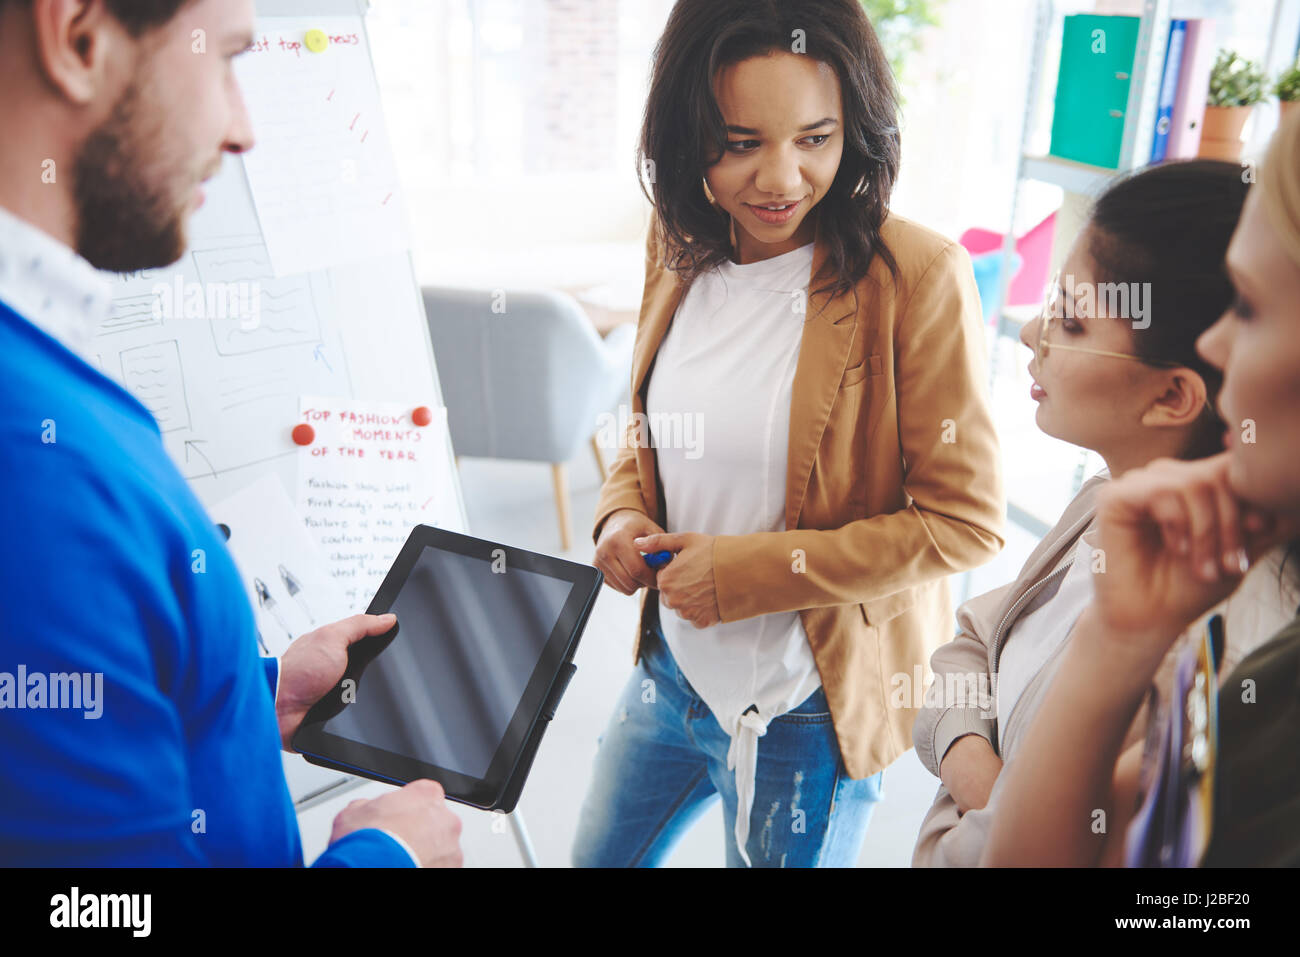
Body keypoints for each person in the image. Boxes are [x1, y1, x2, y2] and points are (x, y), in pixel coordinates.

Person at [0, 0, 461, 866]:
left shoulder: (39, 381)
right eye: (225, 59)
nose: (244, 127)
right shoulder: (33, 467)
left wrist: (258, 692)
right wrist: (384, 860)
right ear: (79, 37)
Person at [573, 0, 1005, 868]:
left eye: (816, 138)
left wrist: (744, 573)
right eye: (739, 143)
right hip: (672, 671)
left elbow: (963, 521)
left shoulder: (913, 274)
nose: (780, 179)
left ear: (859, 130)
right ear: (687, 133)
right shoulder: (680, 240)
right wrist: (620, 516)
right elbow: (650, 433)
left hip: (805, 704)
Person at [910, 159, 1300, 867]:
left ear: (1175, 398)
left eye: (1071, 320)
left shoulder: (1229, 648)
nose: (1032, 334)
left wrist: (979, 800)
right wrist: (985, 776)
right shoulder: (1108, 502)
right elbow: (969, 645)